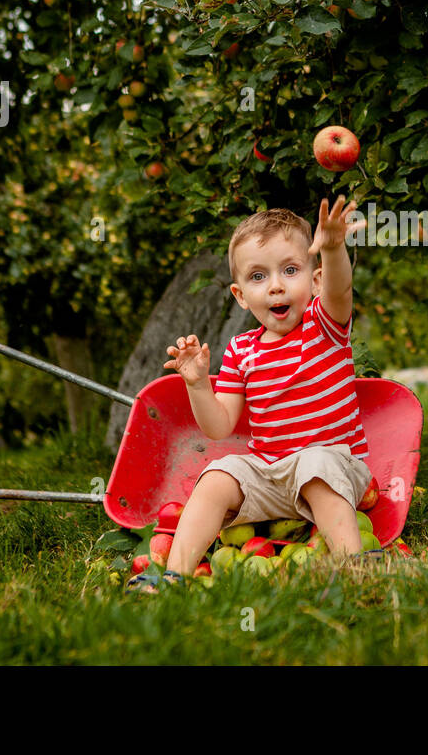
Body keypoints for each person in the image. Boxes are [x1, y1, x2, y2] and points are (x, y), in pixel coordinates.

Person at [141, 197, 374, 587]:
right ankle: (172, 574)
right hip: (270, 473)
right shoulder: (240, 351)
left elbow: (341, 290)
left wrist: (332, 250)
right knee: (217, 473)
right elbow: (219, 427)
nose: (277, 286)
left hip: (334, 467)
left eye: (290, 270)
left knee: (315, 464)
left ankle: (357, 569)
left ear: (315, 281)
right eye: (258, 277)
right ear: (240, 295)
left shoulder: (324, 326)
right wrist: (198, 385)